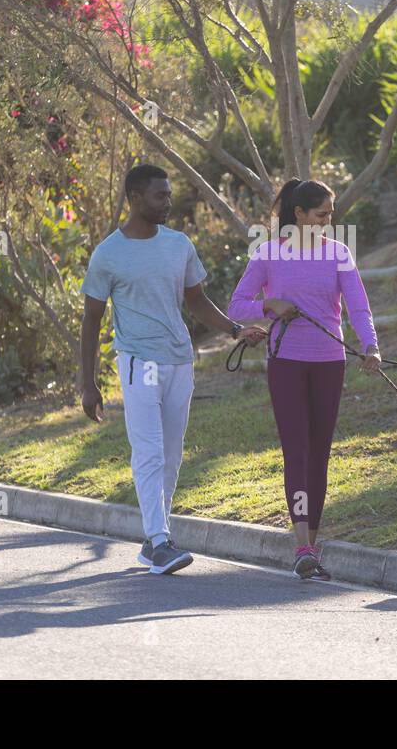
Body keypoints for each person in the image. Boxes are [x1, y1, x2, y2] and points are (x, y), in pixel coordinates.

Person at [81, 164, 266, 574]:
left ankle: (153, 540)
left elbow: (197, 300)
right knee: (147, 450)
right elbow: (92, 318)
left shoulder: (179, 244)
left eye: (168, 194)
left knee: (170, 454)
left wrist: (236, 330)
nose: (167, 201)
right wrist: (88, 382)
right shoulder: (108, 254)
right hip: (137, 361)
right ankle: (162, 542)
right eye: (159, 196)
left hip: (180, 360)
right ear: (134, 199)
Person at [228, 179, 380, 580]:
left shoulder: (339, 254)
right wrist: (271, 305)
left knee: (320, 452)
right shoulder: (268, 254)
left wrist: (371, 346)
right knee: (296, 452)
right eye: (321, 215)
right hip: (287, 364)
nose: (328, 223)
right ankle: (302, 546)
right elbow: (237, 304)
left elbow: (359, 308)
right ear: (299, 215)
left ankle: (313, 542)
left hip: (330, 362)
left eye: (330, 216)